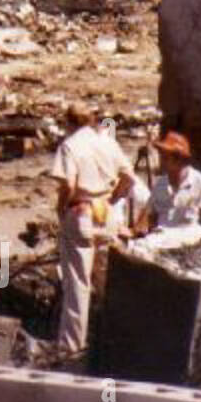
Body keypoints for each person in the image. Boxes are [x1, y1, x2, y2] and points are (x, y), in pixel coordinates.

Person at [48, 102, 136, 357]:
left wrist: (61, 209)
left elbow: (68, 184)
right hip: (106, 213)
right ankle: (113, 341)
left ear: (70, 122)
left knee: (77, 283)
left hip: (81, 211)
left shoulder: (70, 146)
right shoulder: (107, 142)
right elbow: (129, 178)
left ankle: (72, 346)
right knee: (104, 280)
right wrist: (112, 199)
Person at [133, 132, 201, 235]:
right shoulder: (161, 183)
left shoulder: (200, 182)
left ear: (179, 160)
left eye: (165, 158)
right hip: (161, 240)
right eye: (161, 156)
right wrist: (138, 230)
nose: (162, 162)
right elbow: (147, 213)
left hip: (187, 244)